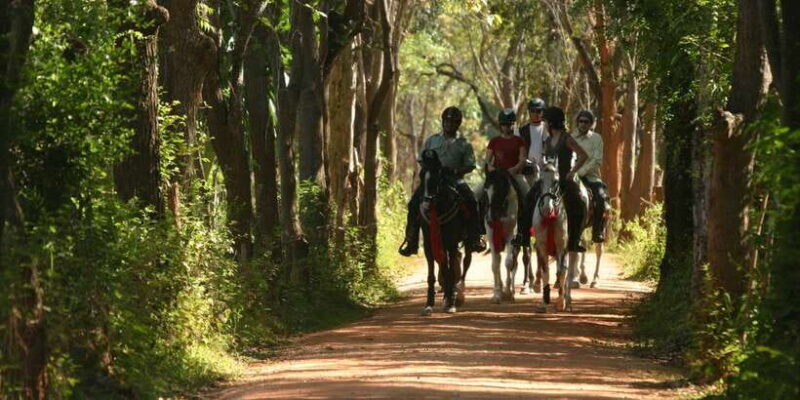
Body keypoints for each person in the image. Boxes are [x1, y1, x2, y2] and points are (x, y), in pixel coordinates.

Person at [398, 106, 485, 256]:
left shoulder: (464, 143)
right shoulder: (432, 140)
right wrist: (430, 169)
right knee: (413, 203)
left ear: (458, 124)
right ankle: (411, 241)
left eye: (453, 122)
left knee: (472, 201)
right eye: (447, 121)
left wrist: (456, 171)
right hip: (433, 178)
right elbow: (421, 159)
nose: (449, 124)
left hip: (455, 179)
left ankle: (474, 238)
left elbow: (470, 165)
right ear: (443, 121)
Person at [520, 106, 589, 252]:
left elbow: (583, 156)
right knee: (529, 198)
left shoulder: (567, 139)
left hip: (564, 179)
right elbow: (545, 159)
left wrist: (573, 172)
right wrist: (538, 166)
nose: (543, 124)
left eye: (545, 121)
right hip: (548, 178)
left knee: (578, 202)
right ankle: (523, 236)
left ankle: (575, 240)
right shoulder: (548, 140)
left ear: (551, 123)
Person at [572, 110, 608, 243]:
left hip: (591, 177)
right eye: (581, 121)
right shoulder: (571, 137)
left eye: (586, 122)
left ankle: (597, 231)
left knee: (601, 197)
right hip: (571, 176)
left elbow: (597, 160)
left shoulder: (596, 138)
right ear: (577, 122)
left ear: (591, 124)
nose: (583, 124)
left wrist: (581, 172)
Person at [517, 97, 549, 186]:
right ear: (529, 112)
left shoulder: (549, 129)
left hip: (546, 172)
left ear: (543, 112)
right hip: (527, 172)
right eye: (533, 111)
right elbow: (518, 153)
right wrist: (527, 162)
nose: (535, 113)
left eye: (538, 111)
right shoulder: (521, 131)